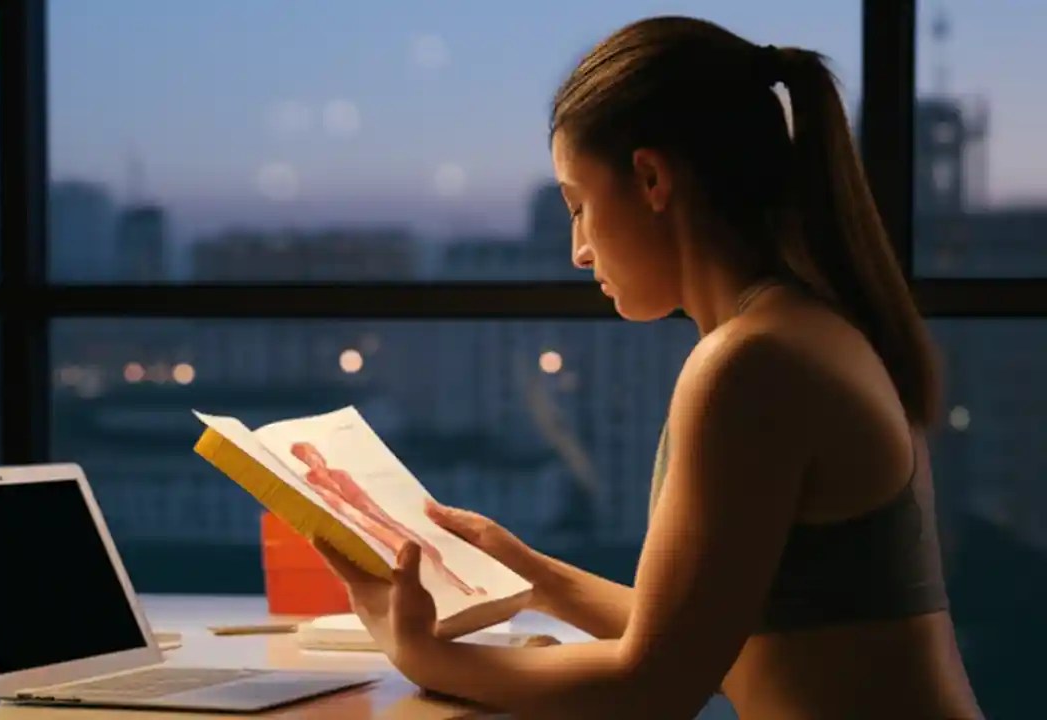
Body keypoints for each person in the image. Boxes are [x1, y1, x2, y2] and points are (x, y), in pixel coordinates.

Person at [313, 15, 985, 720]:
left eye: (579, 205)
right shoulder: (796, 333)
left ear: (651, 177)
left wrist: (421, 655)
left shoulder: (751, 365)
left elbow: (654, 687)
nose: (578, 249)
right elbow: (703, 636)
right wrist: (531, 574)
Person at [290, 441, 484, 596]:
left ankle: (462, 590)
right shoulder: (316, 483)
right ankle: (460, 592)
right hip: (362, 519)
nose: (316, 461)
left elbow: (364, 503)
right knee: (416, 554)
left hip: (370, 514)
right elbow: (349, 510)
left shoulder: (337, 476)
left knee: (427, 550)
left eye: (314, 456)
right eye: (309, 458)